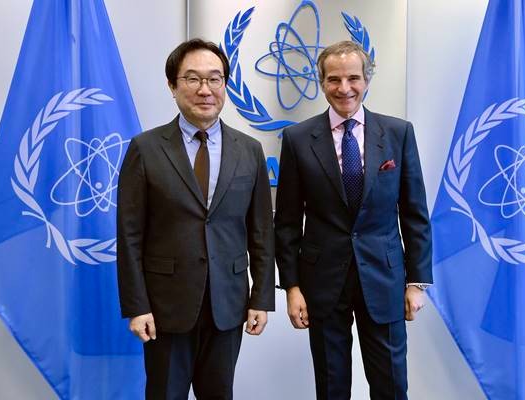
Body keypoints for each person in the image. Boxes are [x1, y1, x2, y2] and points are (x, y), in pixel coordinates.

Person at [117, 38, 275, 400]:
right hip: (165, 306)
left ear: (225, 85)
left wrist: (261, 297)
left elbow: (261, 233)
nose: (205, 89)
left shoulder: (249, 150)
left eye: (214, 79)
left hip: (228, 304)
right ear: (173, 86)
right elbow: (129, 235)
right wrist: (137, 306)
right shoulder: (145, 148)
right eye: (192, 79)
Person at [274, 41, 432, 399]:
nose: (344, 88)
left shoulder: (398, 133)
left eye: (353, 78)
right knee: (332, 387)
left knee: (391, 386)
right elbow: (287, 222)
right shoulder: (298, 139)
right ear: (321, 83)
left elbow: (415, 214)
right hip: (322, 282)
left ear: (366, 80)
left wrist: (416, 282)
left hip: (385, 279)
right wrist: (292, 287)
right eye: (333, 79)